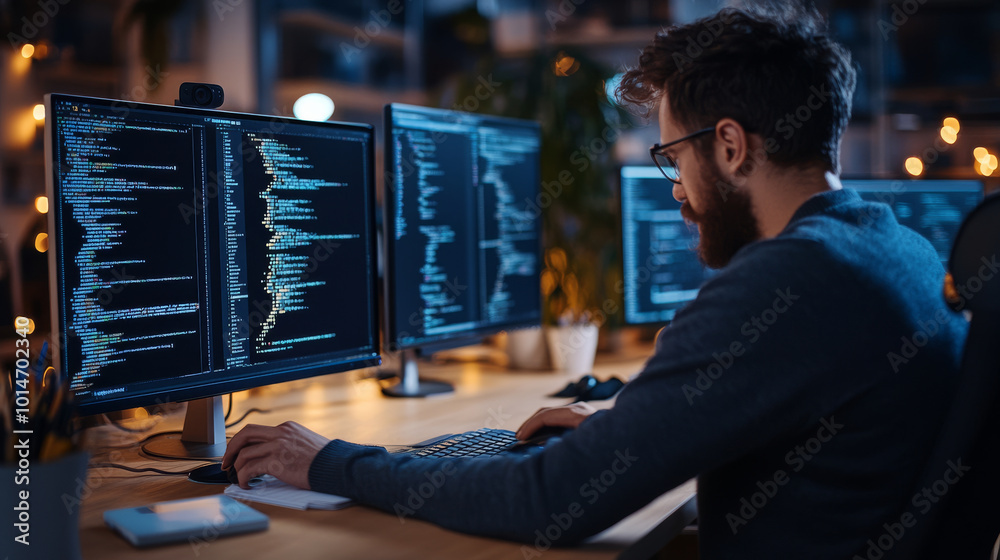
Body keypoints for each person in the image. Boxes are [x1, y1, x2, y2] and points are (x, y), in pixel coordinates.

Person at [222, 6, 969, 558]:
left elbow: (548, 503)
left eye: (673, 159)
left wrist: (326, 460)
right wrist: (632, 427)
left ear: (732, 147)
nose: (674, 189)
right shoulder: (892, 246)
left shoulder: (794, 277)